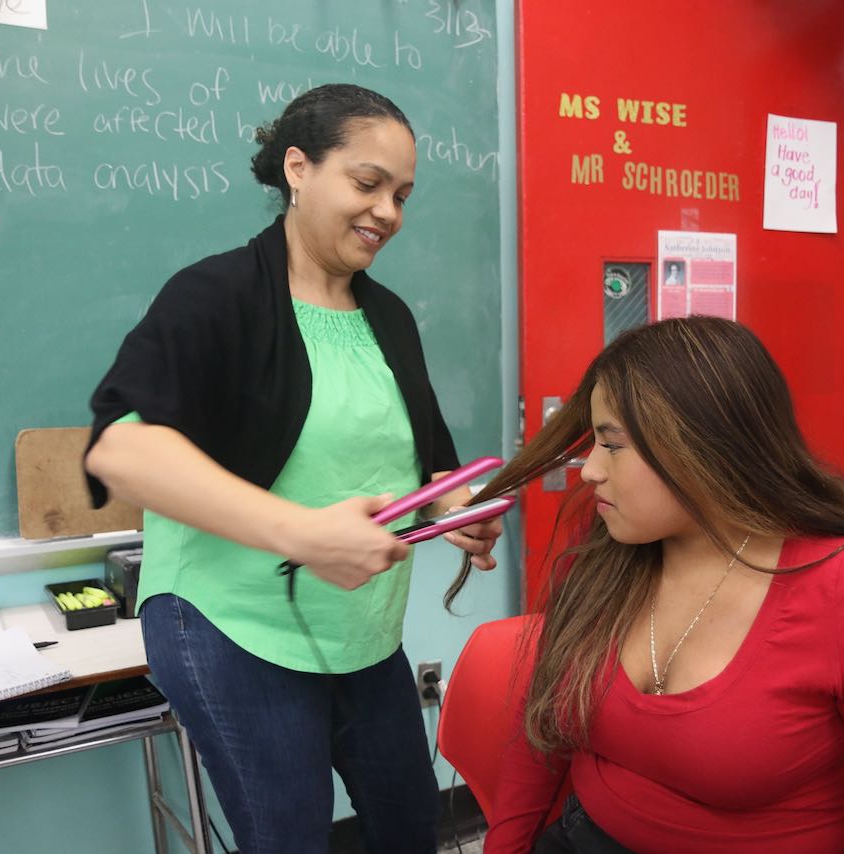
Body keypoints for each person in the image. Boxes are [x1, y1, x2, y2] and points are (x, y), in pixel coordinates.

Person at [83, 83, 502, 854]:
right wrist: (303, 535)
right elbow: (120, 449)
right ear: (299, 168)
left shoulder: (389, 316)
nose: (388, 213)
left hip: (360, 633)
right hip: (231, 627)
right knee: (289, 837)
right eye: (368, 183)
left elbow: (424, 460)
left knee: (410, 825)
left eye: (403, 196)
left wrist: (453, 508)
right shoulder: (214, 296)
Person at [447, 317, 844, 853]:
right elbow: (542, 730)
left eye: (614, 444)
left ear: (705, 448)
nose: (592, 470)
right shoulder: (608, 553)